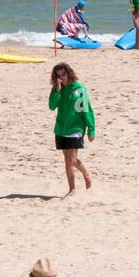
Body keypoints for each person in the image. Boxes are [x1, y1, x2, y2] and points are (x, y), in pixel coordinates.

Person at [49, 62, 95, 197]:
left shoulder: (79, 88)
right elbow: (52, 106)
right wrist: (57, 91)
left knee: (72, 160)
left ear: (69, 73)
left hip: (76, 128)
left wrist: (91, 129)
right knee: (67, 160)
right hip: (61, 128)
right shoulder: (57, 89)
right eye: (58, 76)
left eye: (63, 75)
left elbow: (87, 109)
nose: (61, 78)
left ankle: (85, 172)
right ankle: (72, 189)